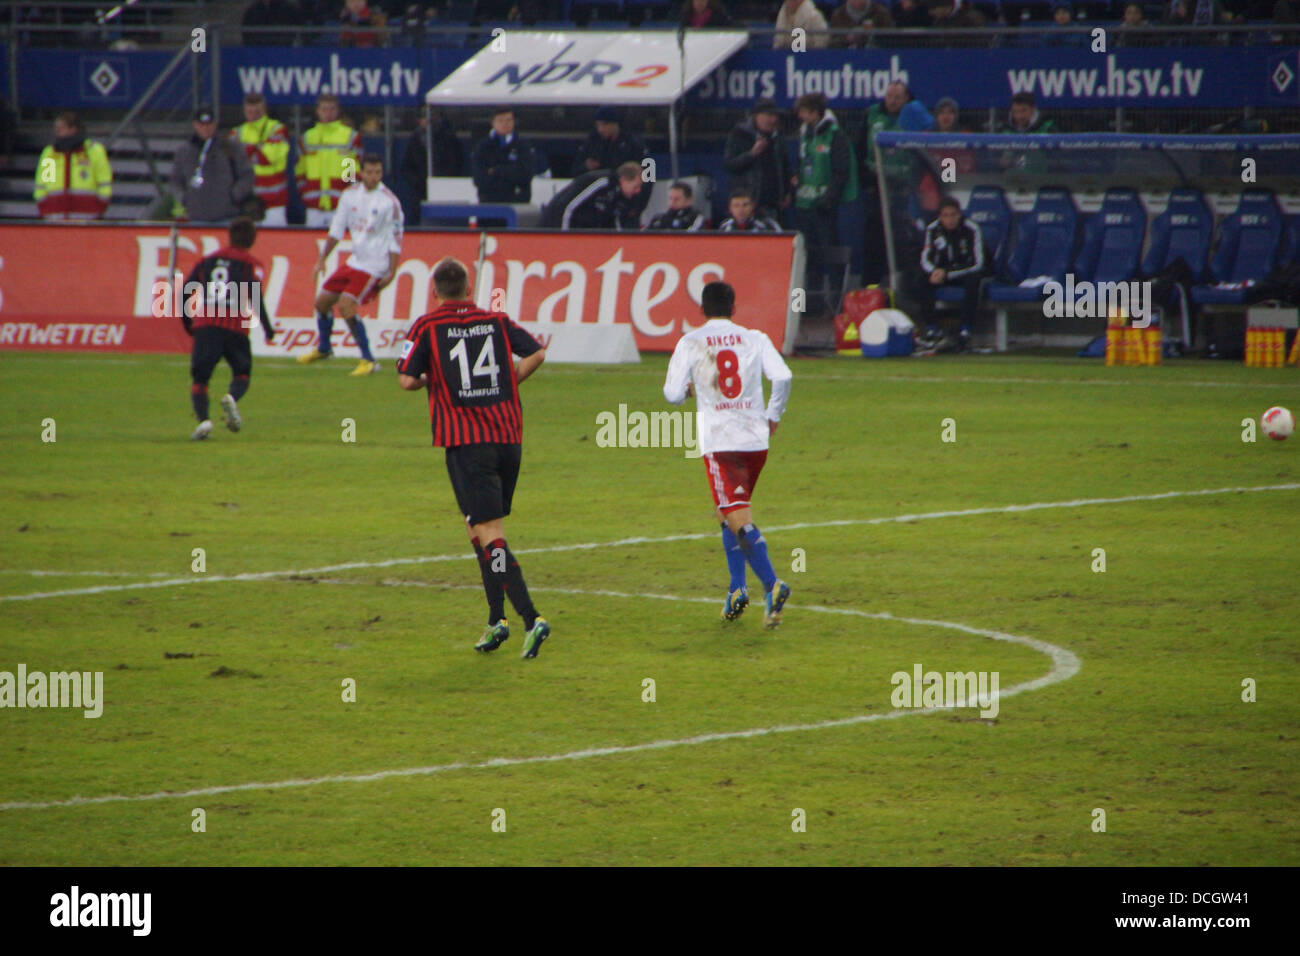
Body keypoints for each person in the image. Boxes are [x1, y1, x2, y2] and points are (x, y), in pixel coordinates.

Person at [396, 256, 551, 659]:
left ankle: (531, 618)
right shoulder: (497, 321)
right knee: (476, 530)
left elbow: (407, 380)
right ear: (469, 288)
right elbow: (537, 353)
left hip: (468, 444)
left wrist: (436, 378)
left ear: (434, 291)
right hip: (508, 437)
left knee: (491, 534)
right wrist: (509, 378)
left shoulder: (426, 326)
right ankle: (495, 621)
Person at [662, 280, 793, 628]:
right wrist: (773, 416)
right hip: (756, 441)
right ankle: (737, 590)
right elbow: (783, 376)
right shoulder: (756, 337)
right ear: (734, 308)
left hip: (721, 443)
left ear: (701, 309)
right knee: (727, 513)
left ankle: (772, 583)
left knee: (737, 518)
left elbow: (671, 393)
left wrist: (689, 390)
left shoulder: (691, 342)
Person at [298, 154, 403, 375]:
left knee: (346, 305)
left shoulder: (389, 202)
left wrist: (392, 271)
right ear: (361, 172)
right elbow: (336, 230)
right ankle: (325, 349)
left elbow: (396, 237)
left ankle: (369, 360)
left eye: (378, 172)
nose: (374, 177)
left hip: (375, 265)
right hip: (355, 261)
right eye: (370, 172)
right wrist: (321, 259)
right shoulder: (349, 195)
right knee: (321, 303)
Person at [182, 216, 276, 441]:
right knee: (242, 372)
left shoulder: (207, 261)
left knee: (201, 379)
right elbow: (254, 296)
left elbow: (187, 290)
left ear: (229, 236)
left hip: (206, 326)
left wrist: (188, 322)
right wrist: (267, 327)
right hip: (235, 327)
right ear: (252, 239)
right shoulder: (251, 264)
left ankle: (204, 421)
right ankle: (232, 398)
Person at [793, 92, 855, 293]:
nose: (800, 116)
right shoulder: (804, 133)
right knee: (807, 257)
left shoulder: (835, 135)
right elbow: (802, 164)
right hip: (803, 206)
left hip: (823, 209)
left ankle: (835, 301)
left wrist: (827, 201)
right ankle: (810, 305)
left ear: (814, 112)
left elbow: (840, 172)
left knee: (830, 255)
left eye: (803, 112)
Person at [915, 196, 985, 351]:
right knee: (920, 279)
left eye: (953, 214)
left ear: (959, 214)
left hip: (962, 273)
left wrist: (947, 274)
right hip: (940, 274)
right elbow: (925, 258)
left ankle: (965, 330)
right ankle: (932, 329)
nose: (950, 219)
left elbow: (977, 263)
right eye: (945, 215)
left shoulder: (971, 229)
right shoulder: (933, 229)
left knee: (974, 281)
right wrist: (935, 272)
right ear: (940, 217)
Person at [171, 108, 254, 224]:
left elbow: (247, 175)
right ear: (195, 125)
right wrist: (184, 198)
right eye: (202, 124)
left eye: (209, 124)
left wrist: (234, 195)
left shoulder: (231, 147)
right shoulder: (184, 151)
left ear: (215, 124)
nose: (206, 128)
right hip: (196, 217)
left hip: (227, 216)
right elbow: (176, 180)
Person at [295, 94, 363, 228]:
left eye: (332, 109)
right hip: (314, 205)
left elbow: (353, 174)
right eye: (324, 109)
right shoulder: (308, 138)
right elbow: (300, 171)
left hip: (340, 206)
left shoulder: (349, 136)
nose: (328, 113)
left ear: (337, 111)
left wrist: (349, 199)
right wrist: (306, 194)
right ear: (318, 111)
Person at [723, 98, 792, 222]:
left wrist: (786, 191)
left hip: (773, 204)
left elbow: (785, 167)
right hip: (749, 201)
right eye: (769, 115)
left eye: (775, 116)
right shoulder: (740, 134)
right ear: (757, 116)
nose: (773, 120)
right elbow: (729, 164)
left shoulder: (778, 137)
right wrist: (752, 154)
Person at [33, 112, 112, 220]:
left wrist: (100, 207)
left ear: (73, 129)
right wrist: (44, 207)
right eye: (56, 128)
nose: (57, 131)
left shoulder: (93, 151)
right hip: (55, 217)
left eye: (61, 128)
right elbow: (43, 184)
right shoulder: (51, 153)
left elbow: (104, 183)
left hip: (88, 218)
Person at [231, 93, 290, 226]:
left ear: (264, 110)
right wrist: (259, 147)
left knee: (277, 242)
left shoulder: (277, 129)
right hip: (247, 202)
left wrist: (247, 150)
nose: (253, 115)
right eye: (249, 111)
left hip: (274, 201)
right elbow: (234, 161)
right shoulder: (236, 132)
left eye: (257, 111)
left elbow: (268, 158)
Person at [401, 109, 463, 225]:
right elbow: (406, 167)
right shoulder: (415, 139)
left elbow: (454, 162)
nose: (428, 121)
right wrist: (418, 182)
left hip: (443, 188)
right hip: (420, 190)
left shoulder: (446, 137)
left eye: (431, 117)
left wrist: (442, 180)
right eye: (424, 118)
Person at [541, 162, 644, 230]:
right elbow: (567, 207)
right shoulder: (602, 182)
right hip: (555, 225)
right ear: (624, 180)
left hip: (581, 231)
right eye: (636, 186)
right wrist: (562, 237)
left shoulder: (619, 197)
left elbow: (613, 223)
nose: (638, 191)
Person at [471, 107, 534, 204]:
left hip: (518, 203)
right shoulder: (483, 146)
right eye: (500, 120)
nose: (505, 124)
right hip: (489, 204)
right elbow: (479, 178)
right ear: (493, 123)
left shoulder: (523, 145)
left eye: (508, 120)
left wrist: (496, 170)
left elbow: (525, 175)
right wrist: (509, 172)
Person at [829, 0, 894, 47]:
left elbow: (891, 40)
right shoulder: (838, 15)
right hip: (845, 57)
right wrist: (847, 39)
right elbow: (832, 42)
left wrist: (873, 34)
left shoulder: (881, 13)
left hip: (875, 56)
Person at [718, 188, 782, 231]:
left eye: (745, 205)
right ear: (730, 209)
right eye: (736, 205)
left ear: (752, 206)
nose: (741, 209)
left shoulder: (768, 226)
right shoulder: (724, 227)